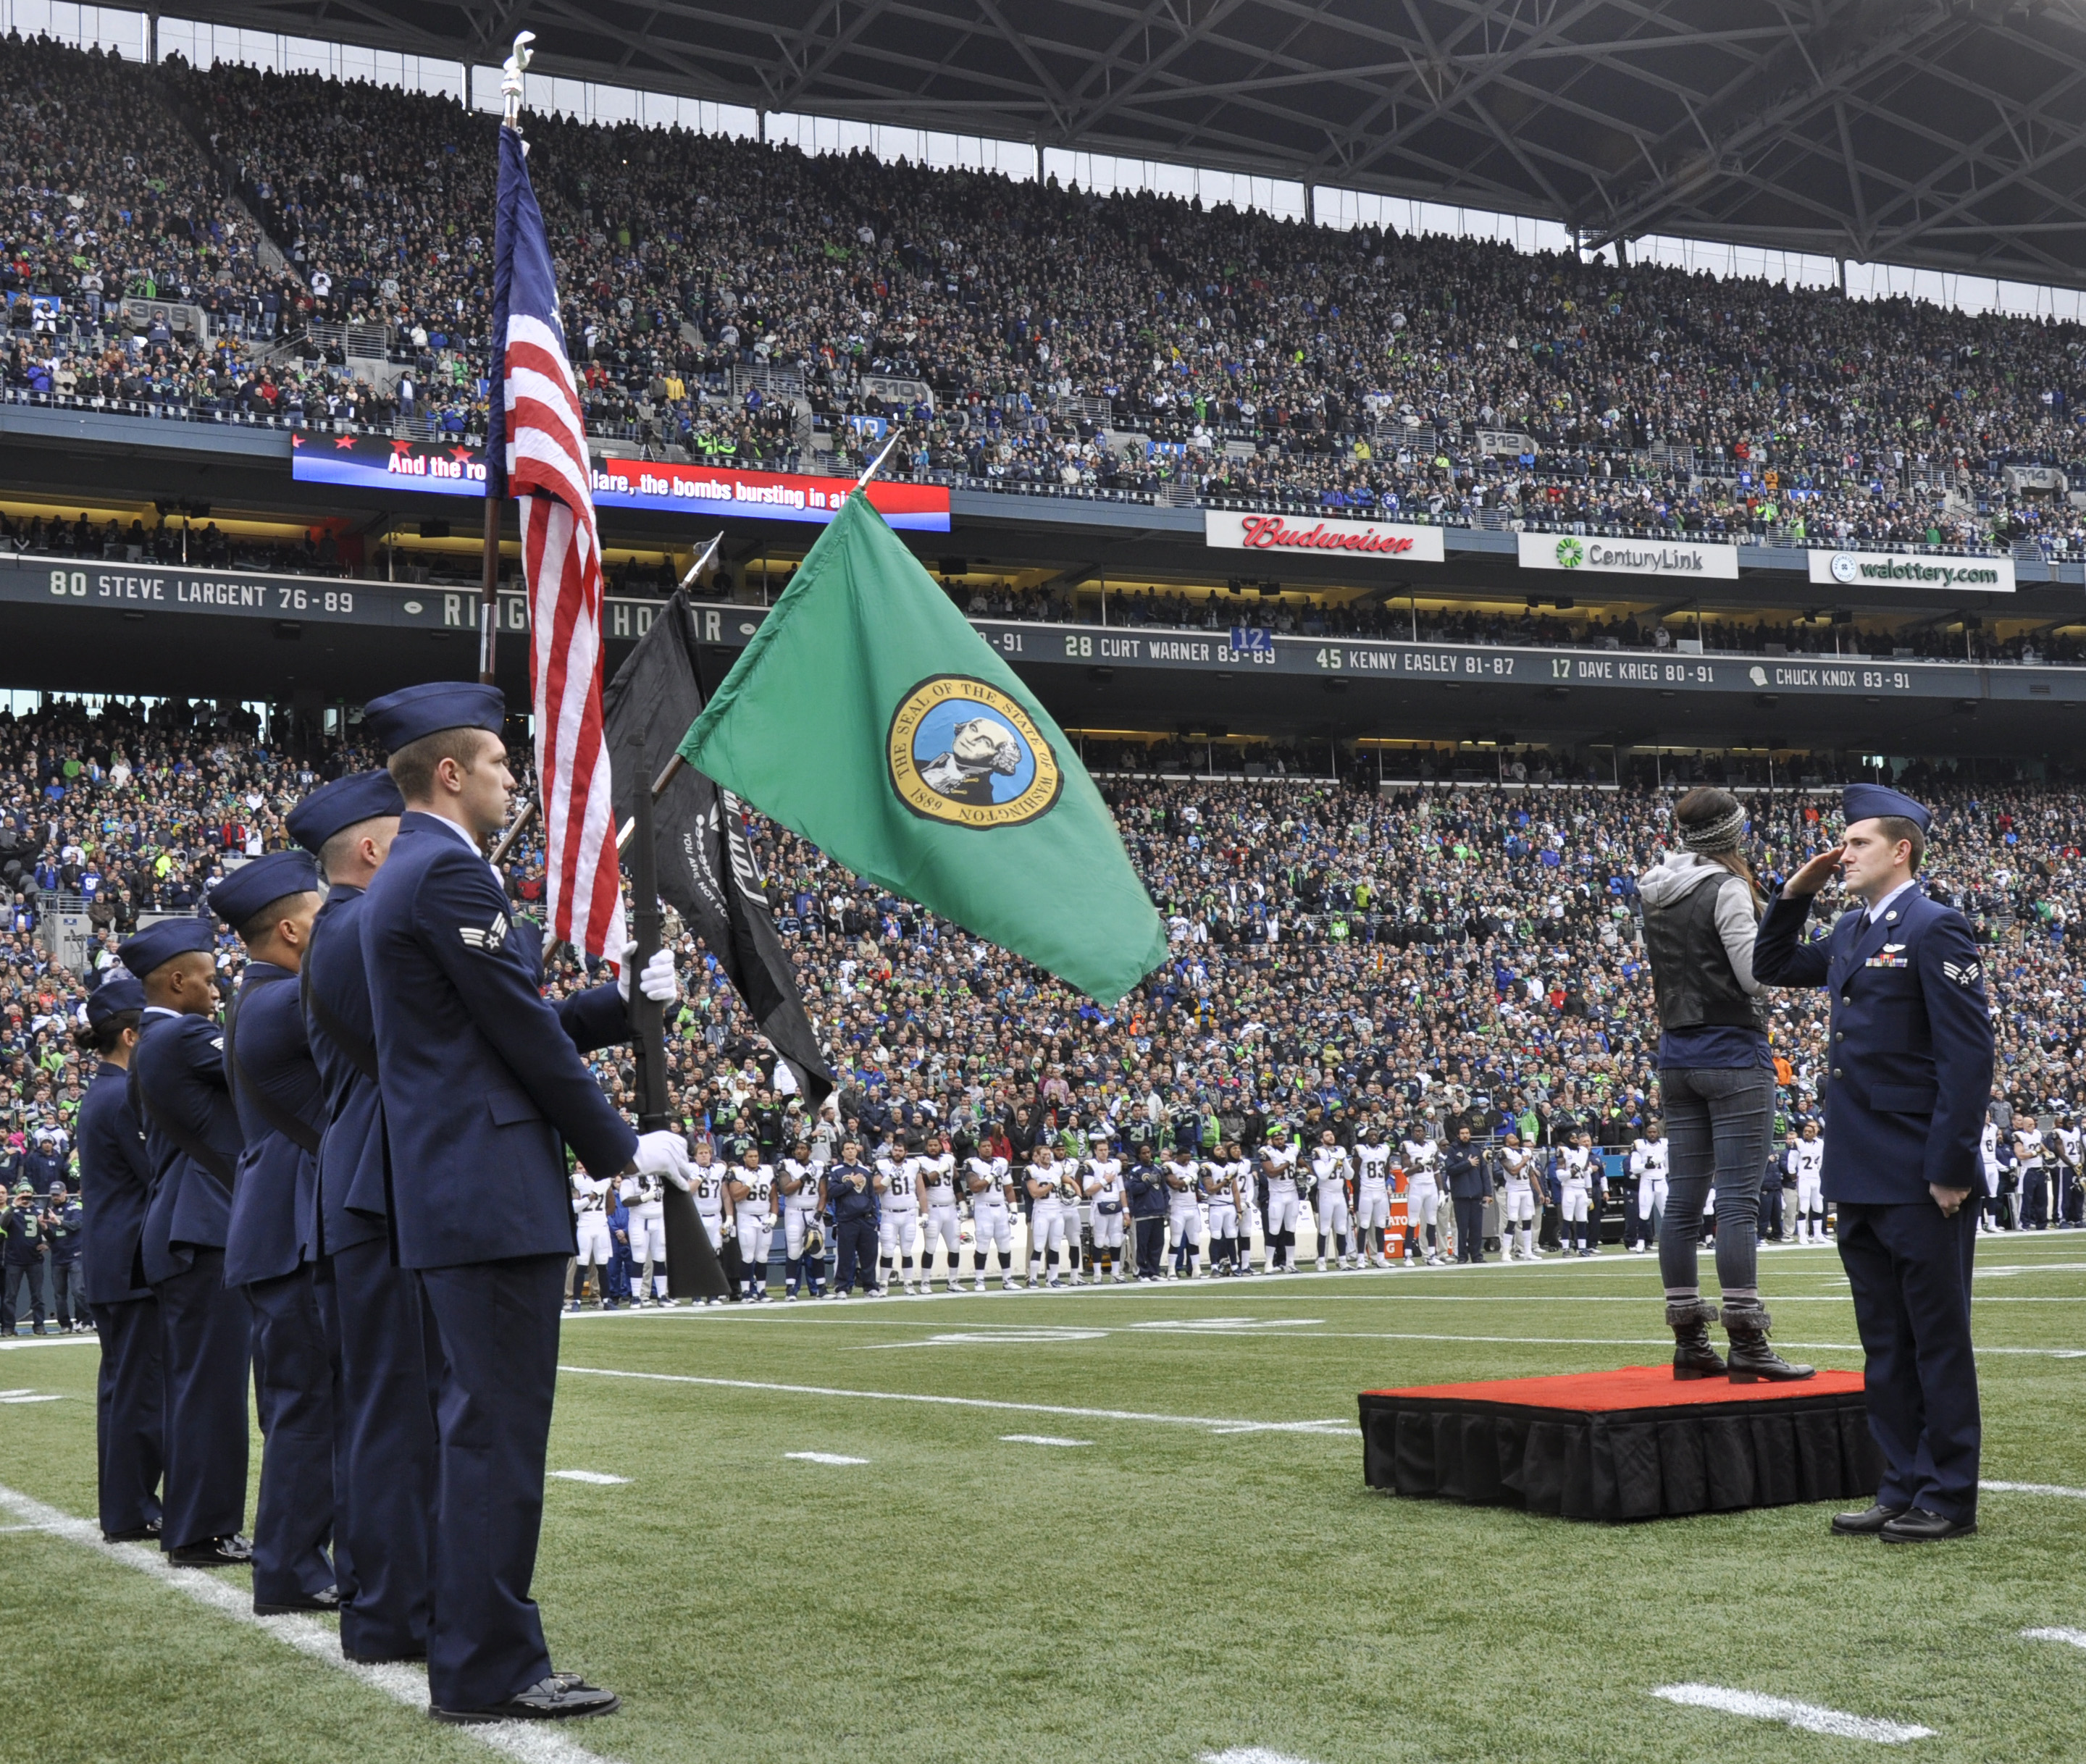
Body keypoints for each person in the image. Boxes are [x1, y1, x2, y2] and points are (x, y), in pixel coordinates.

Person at [357, 680, 690, 1721]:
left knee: (481, 1435)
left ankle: (476, 1652)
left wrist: (621, 1004)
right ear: (450, 773)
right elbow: (515, 1035)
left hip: (464, 1190)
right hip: (485, 1194)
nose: (515, 778)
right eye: (501, 763)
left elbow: (492, 1023)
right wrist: (621, 1147)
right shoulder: (447, 877)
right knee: (496, 1440)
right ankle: (490, 1666)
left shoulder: (421, 872)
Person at [1754, 782, 1993, 1544]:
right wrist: (1795, 892)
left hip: (1922, 1173)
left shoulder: (1935, 927)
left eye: (1856, 843)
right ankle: (1899, 1484)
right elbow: (1775, 963)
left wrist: (1952, 1164)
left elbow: (1967, 1056)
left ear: (1901, 849)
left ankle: (1948, 1495)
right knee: (1884, 1342)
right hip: (1859, 1168)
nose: (1842, 853)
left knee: (1937, 1339)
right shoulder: (1855, 931)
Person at [290, 766, 428, 1666]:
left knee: (389, 1410)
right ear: (375, 849)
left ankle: (391, 1606)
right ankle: (389, 1612)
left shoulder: (342, 930)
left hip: (367, 1183)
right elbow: (442, 1039)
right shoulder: (359, 930)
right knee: (394, 1415)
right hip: (383, 1188)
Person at [1638, 787, 1811, 1381]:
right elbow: (1755, 977)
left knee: (1683, 1201)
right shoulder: (1728, 886)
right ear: (1729, 835)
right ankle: (1747, 1340)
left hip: (1675, 1053)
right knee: (1737, 1201)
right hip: (1732, 1051)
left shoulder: (1652, 883)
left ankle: (1689, 1341)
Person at [211, 848, 343, 1614]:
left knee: (304, 1405)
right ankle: (290, 1570)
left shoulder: (266, 996)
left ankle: (292, 1562)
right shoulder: (280, 1003)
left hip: (279, 1224)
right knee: (306, 1407)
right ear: (295, 932)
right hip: (292, 1228)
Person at [122, 915, 252, 1568]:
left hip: (187, 1227)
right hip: (201, 1230)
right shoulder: (183, 1038)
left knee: (201, 1385)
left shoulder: (156, 1039)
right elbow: (258, 1064)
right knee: (212, 1389)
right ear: (176, 982)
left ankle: (198, 1523)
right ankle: (203, 1530)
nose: (216, 986)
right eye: (206, 977)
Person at [75, 972, 164, 1542]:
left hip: (111, 1260)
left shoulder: (100, 1092)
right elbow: (155, 1173)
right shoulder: (119, 1098)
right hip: (131, 1262)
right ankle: (131, 1509)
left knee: (122, 1390)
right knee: (139, 1392)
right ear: (131, 1036)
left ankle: (126, 1506)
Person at [826, 1138, 879, 1298]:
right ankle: (842, 1287)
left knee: (869, 1255)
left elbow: (872, 1195)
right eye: (847, 1149)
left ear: (857, 1151)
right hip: (847, 1219)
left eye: (853, 1149)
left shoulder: (866, 1171)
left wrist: (874, 1217)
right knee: (846, 1256)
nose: (850, 1151)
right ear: (842, 1152)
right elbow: (832, 1192)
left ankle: (870, 1286)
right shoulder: (836, 1171)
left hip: (866, 1219)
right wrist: (851, 1183)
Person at [726, 1144, 776, 1303]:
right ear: (745, 1158)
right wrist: (748, 1184)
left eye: (756, 1156)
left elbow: (774, 1196)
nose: (754, 1159)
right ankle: (746, 1291)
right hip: (746, 1217)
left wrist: (774, 1215)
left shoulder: (767, 1171)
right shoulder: (738, 1172)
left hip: (764, 1216)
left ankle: (762, 1291)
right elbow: (736, 1196)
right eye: (751, 1156)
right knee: (748, 1256)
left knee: (762, 1256)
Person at [3, 1179, 47, 1334]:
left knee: (37, 1296)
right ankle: (8, 1326)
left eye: (28, 1192)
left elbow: (51, 1231)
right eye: (23, 1192)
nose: (25, 1195)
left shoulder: (39, 1211)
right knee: (10, 1296)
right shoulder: (11, 1211)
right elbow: (2, 1225)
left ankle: (39, 1325)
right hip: (14, 1259)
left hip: (34, 1259)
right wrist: (14, 1205)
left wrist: (47, 1243)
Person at [1444, 1125, 1488, 1264]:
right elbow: (1450, 1169)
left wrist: (1487, 1193)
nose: (1465, 1136)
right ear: (1458, 1135)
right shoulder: (1452, 1150)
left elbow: (1484, 1172)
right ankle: (1462, 1256)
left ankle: (1477, 1255)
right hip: (1461, 1195)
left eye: (1467, 1133)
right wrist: (1467, 1164)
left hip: (1476, 1194)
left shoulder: (1476, 1149)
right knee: (1462, 1228)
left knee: (1476, 1228)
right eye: (1462, 1133)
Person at [45, 1180, 85, 1331]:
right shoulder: (49, 1210)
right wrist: (44, 1229)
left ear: (65, 1192)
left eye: (58, 1194)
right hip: (58, 1256)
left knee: (78, 1291)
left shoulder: (74, 1207)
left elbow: (76, 1225)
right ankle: (65, 1324)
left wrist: (59, 1223)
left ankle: (86, 1321)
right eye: (53, 1195)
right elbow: (52, 1237)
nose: (55, 1197)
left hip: (75, 1254)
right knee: (59, 1295)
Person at [1127, 1147, 1168, 1280]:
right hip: (1143, 1213)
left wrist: (1166, 1209)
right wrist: (1148, 1182)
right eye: (1143, 1153)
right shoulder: (1135, 1171)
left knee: (1157, 1245)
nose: (1146, 1155)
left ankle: (1154, 1272)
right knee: (1142, 1246)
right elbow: (1133, 1190)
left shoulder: (1158, 1170)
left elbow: (1165, 1191)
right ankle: (1141, 1273)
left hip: (1158, 1212)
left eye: (1148, 1153)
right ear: (1139, 1155)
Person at [1628, 1120, 1669, 1254]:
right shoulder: (1640, 1145)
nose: (1652, 1134)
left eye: (1654, 1132)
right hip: (1647, 1182)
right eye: (1650, 1132)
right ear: (1646, 1133)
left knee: (1667, 1214)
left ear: (1658, 1133)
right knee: (1644, 1214)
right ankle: (1640, 1243)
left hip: (1661, 1182)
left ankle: (1669, 1242)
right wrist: (1647, 1166)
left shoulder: (1664, 1144)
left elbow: (1667, 1164)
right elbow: (1634, 1168)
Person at [1790, 1122, 1827, 1243]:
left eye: (1809, 1131)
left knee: (1818, 1206)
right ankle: (1802, 1235)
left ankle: (1818, 1234)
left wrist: (1817, 1173)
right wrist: (1795, 1177)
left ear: (1814, 1133)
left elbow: (1820, 1162)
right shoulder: (1798, 1143)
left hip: (1815, 1177)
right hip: (1804, 1178)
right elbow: (1791, 1163)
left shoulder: (1820, 1143)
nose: (1806, 1133)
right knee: (1804, 1206)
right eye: (1805, 1131)